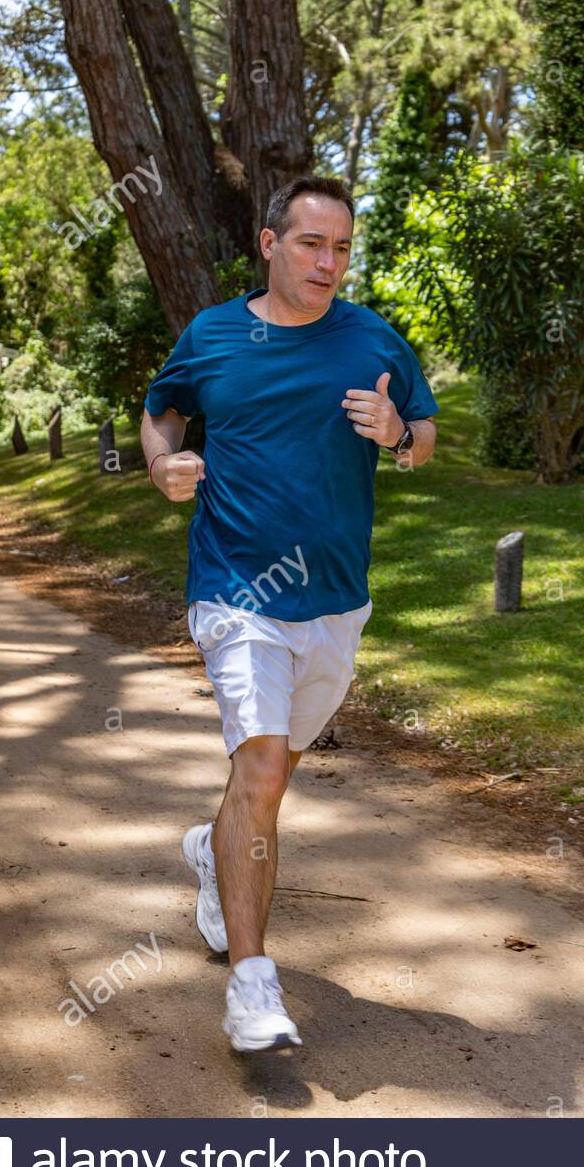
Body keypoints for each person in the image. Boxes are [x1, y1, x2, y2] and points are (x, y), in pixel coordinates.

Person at [140, 176, 439, 1053]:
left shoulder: (373, 338)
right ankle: (251, 984)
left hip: (336, 600)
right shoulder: (213, 335)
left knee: (265, 779)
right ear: (270, 244)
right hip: (235, 591)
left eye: (341, 247)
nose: (328, 262)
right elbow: (161, 414)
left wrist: (397, 434)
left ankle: (212, 850)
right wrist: (162, 466)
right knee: (264, 771)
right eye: (311, 244)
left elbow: (425, 438)